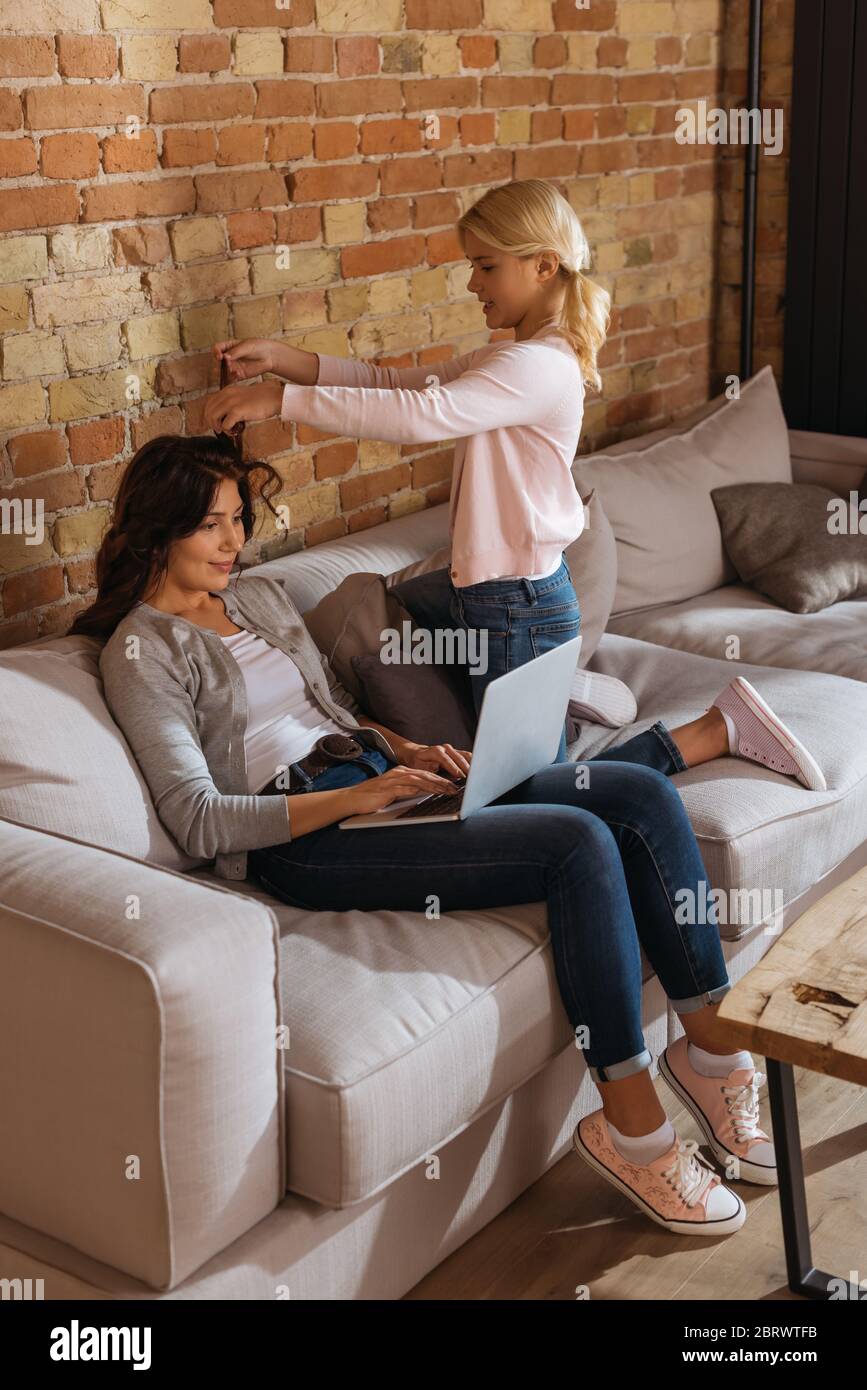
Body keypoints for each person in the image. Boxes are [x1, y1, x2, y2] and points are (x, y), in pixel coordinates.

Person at [72, 435, 832, 1238]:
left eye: (237, 520)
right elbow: (197, 815)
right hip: (303, 839)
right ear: (157, 530)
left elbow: (324, 710)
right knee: (576, 845)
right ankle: (633, 1129)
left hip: (382, 783)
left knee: (639, 795)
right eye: (211, 526)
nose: (234, 542)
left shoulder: (253, 599)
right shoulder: (140, 650)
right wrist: (362, 794)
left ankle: (709, 1054)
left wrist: (400, 750)